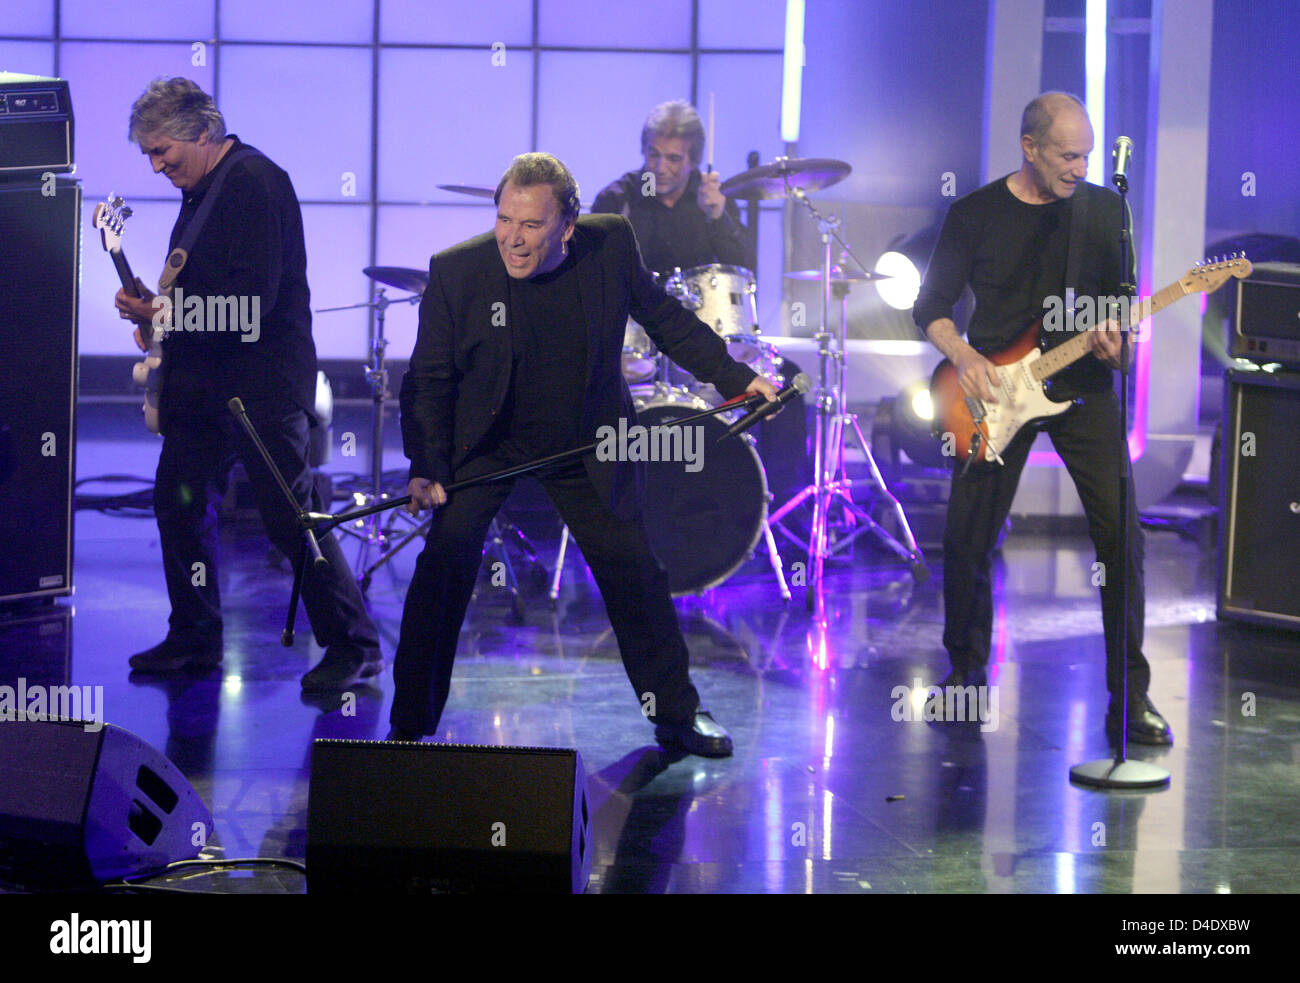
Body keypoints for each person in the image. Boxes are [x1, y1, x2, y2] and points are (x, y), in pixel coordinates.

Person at [390, 152, 778, 755]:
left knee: (634, 572)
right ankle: (409, 727)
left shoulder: (610, 245)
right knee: (442, 566)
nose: (512, 240)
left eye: (531, 226)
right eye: (504, 221)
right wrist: (425, 466)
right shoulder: (458, 271)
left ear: (567, 226)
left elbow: (667, 319)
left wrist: (734, 378)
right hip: (488, 444)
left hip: (585, 439)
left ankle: (675, 714)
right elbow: (428, 379)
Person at [913, 91, 1172, 745]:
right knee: (970, 536)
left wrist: (1120, 344)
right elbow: (931, 306)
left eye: (1085, 153)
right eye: (1065, 155)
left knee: (1122, 537)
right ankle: (967, 675)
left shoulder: (1106, 210)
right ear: (1029, 147)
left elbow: (1122, 311)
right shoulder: (973, 213)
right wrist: (964, 354)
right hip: (996, 389)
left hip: (1082, 385)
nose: (1078, 166)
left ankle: (1130, 697)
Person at [113, 78, 381, 690]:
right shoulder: (206, 183)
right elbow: (205, 292)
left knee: (292, 519)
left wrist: (164, 316)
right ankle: (195, 636)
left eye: (163, 153)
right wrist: (161, 316)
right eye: (149, 155)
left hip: (260, 383)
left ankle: (354, 645)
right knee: (179, 505)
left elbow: (248, 307)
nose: (156, 167)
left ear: (204, 132)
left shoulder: (255, 182)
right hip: (207, 380)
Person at [591, 100, 754, 277]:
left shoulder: (712, 198)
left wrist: (718, 219)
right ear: (643, 150)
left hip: (699, 304)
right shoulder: (617, 199)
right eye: (654, 155)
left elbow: (745, 270)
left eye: (673, 159)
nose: (660, 168)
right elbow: (591, 271)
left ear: (693, 161)